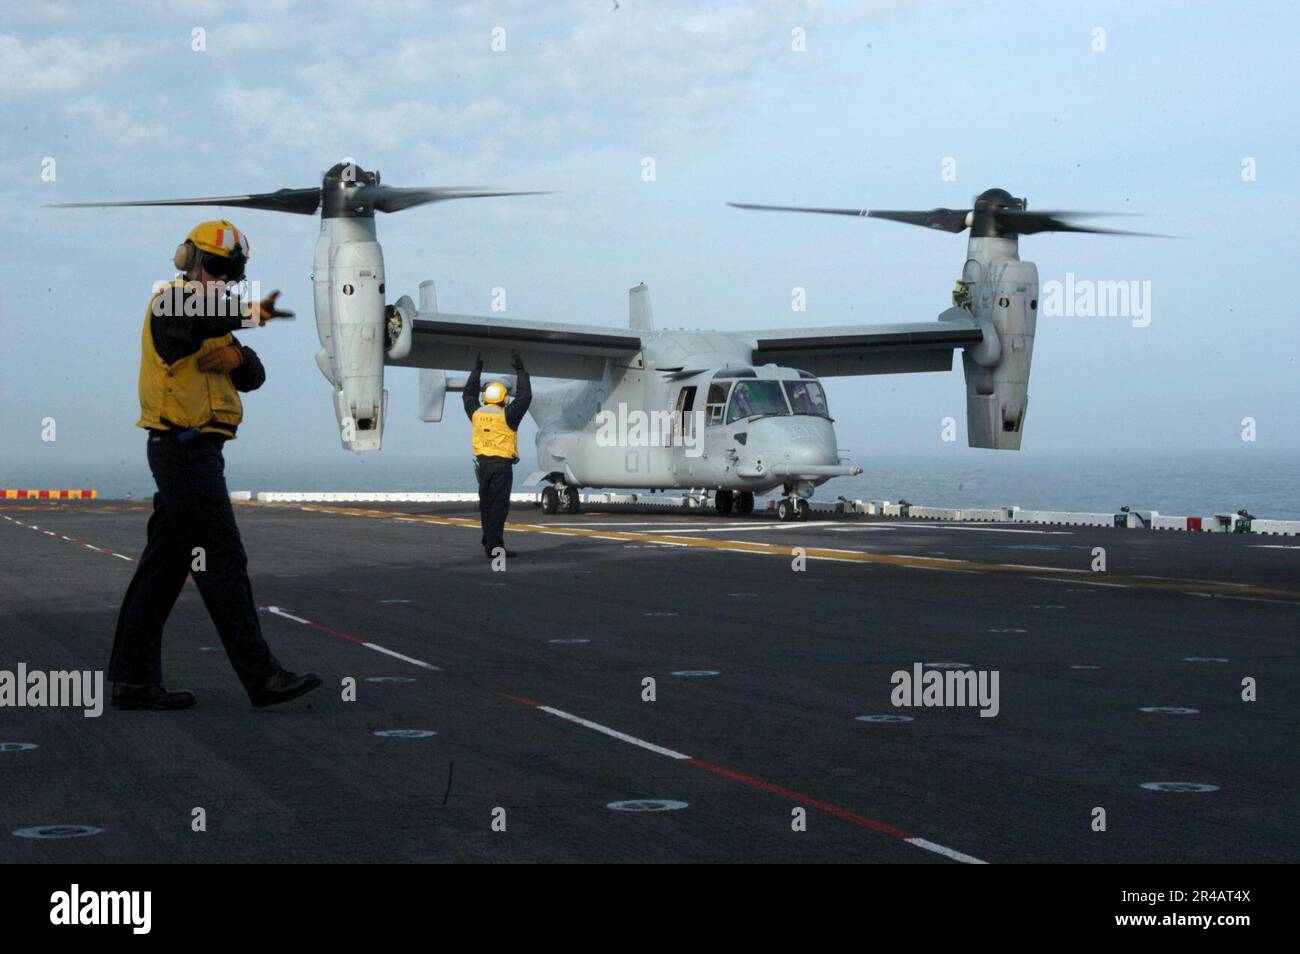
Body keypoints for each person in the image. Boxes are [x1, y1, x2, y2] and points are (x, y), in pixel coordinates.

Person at [108, 219, 321, 710]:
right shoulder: (171, 304)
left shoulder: (213, 319)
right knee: (222, 560)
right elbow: (200, 323)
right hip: (183, 452)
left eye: (234, 273)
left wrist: (239, 359)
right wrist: (252, 315)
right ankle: (261, 677)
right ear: (190, 262)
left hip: (196, 454)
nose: (226, 279)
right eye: (219, 268)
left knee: (163, 570)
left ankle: (134, 681)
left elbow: (254, 374)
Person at [463, 351, 532, 559]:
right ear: (504, 398)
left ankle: (489, 541)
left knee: (486, 506)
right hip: (501, 467)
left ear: (486, 398)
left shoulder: (477, 414)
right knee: (498, 508)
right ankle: (494, 547)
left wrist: (476, 371)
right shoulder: (508, 415)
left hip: (483, 466)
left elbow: (468, 395)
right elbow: (525, 397)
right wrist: (521, 372)